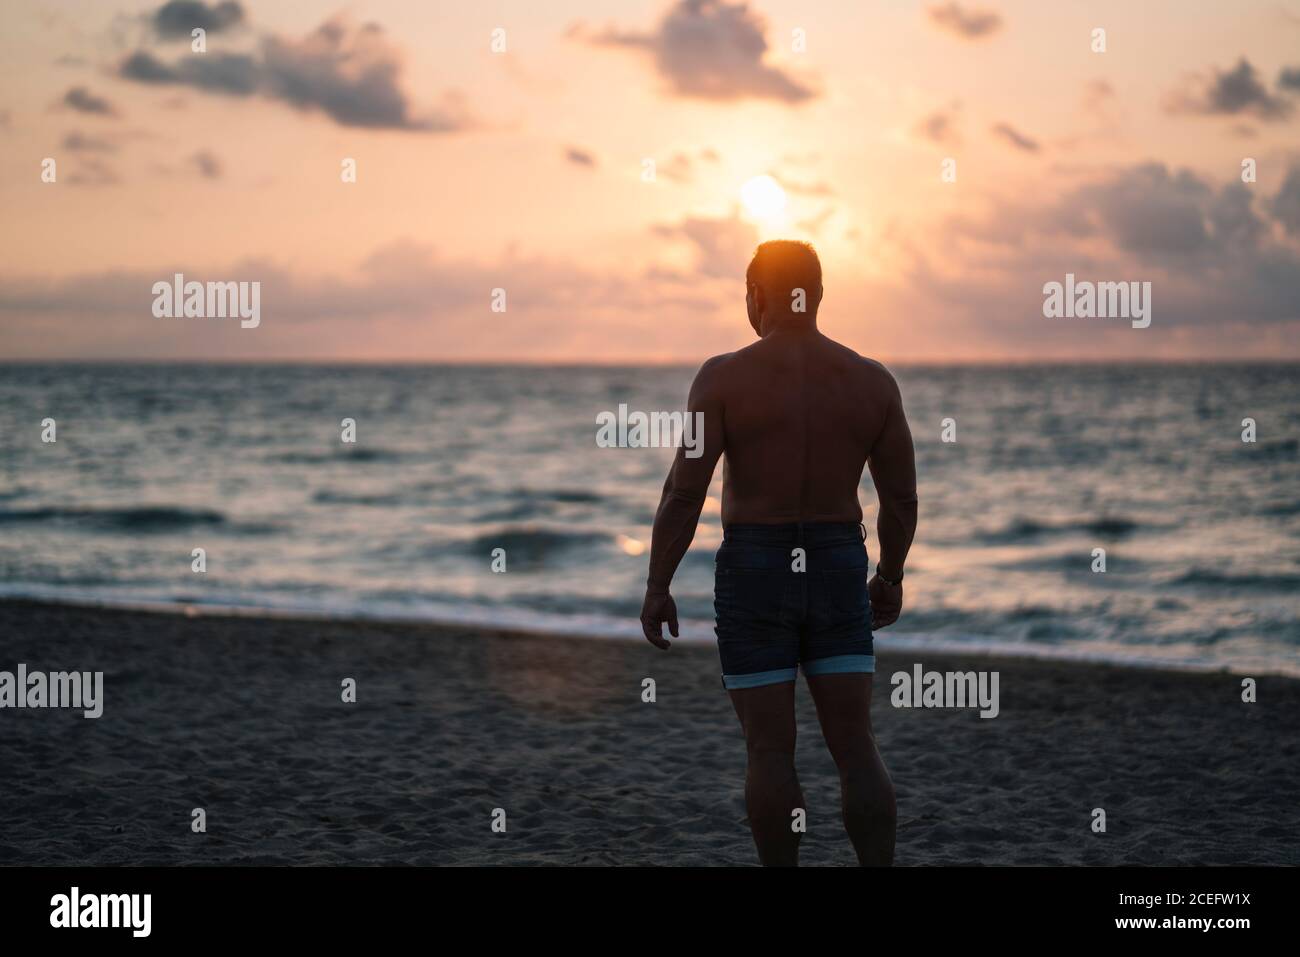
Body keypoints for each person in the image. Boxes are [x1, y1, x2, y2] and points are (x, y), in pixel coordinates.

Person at [639, 240, 918, 866]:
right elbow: (900, 500)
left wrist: (658, 584)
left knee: (768, 750)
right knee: (855, 743)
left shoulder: (723, 378)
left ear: (757, 295)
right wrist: (889, 576)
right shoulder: (871, 382)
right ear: (817, 295)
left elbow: (685, 494)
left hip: (755, 568)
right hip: (837, 563)